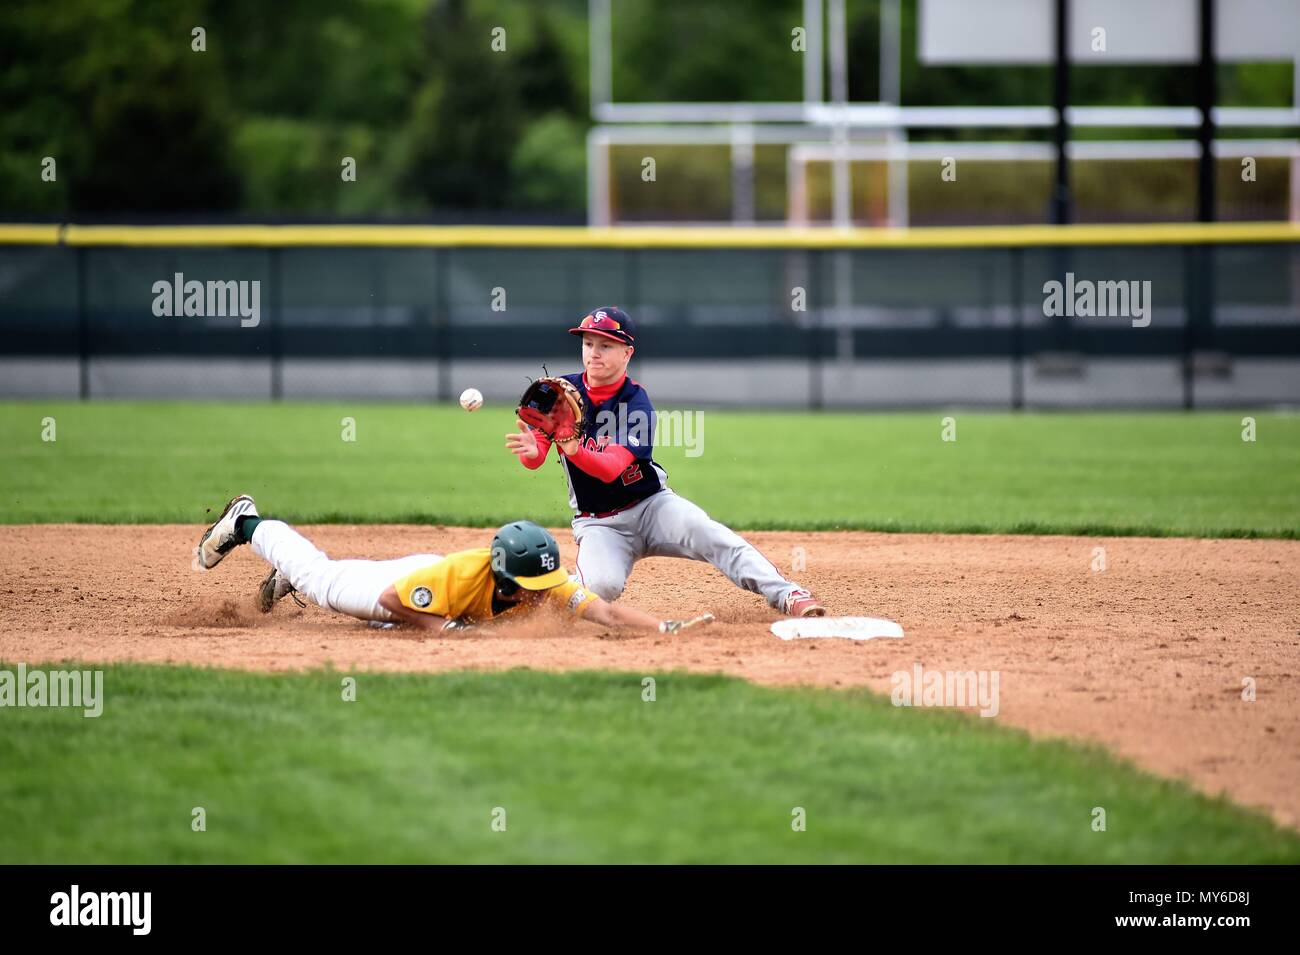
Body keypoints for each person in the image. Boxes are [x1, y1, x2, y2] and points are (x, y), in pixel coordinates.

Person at [505, 306, 826, 618]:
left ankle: (787, 594)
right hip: (599, 523)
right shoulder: (561, 393)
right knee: (601, 587)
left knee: (709, 534)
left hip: (652, 507)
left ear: (627, 353)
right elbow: (537, 452)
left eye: (605, 345)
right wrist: (534, 453)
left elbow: (611, 468)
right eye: (588, 343)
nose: (594, 353)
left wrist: (574, 450)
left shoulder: (637, 403)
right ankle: (557, 590)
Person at [193, 495, 714, 634]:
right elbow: (394, 600)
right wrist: (444, 629)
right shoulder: (467, 576)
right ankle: (247, 523)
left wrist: (664, 628)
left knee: (418, 603)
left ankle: (284, 570)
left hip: (429, 575)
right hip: (395, 588)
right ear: (509, 579)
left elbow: (604, 613)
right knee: (322, 577)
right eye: (534, 584)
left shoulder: (543, 579)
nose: (545, 592)